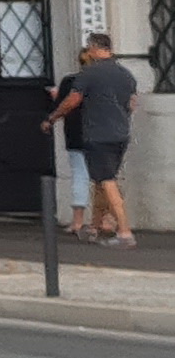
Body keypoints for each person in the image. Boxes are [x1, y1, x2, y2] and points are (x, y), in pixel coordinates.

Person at [53, 31, 138, 247]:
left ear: (93, 48)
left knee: (107, 181)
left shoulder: (89, 74)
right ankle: (94, 227)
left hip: (98, 133)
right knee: (101, 179)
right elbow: (132, 104)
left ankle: (125, 232)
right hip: (120, 132)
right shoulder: (126, 74)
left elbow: (72, 101)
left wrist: (53, 117)